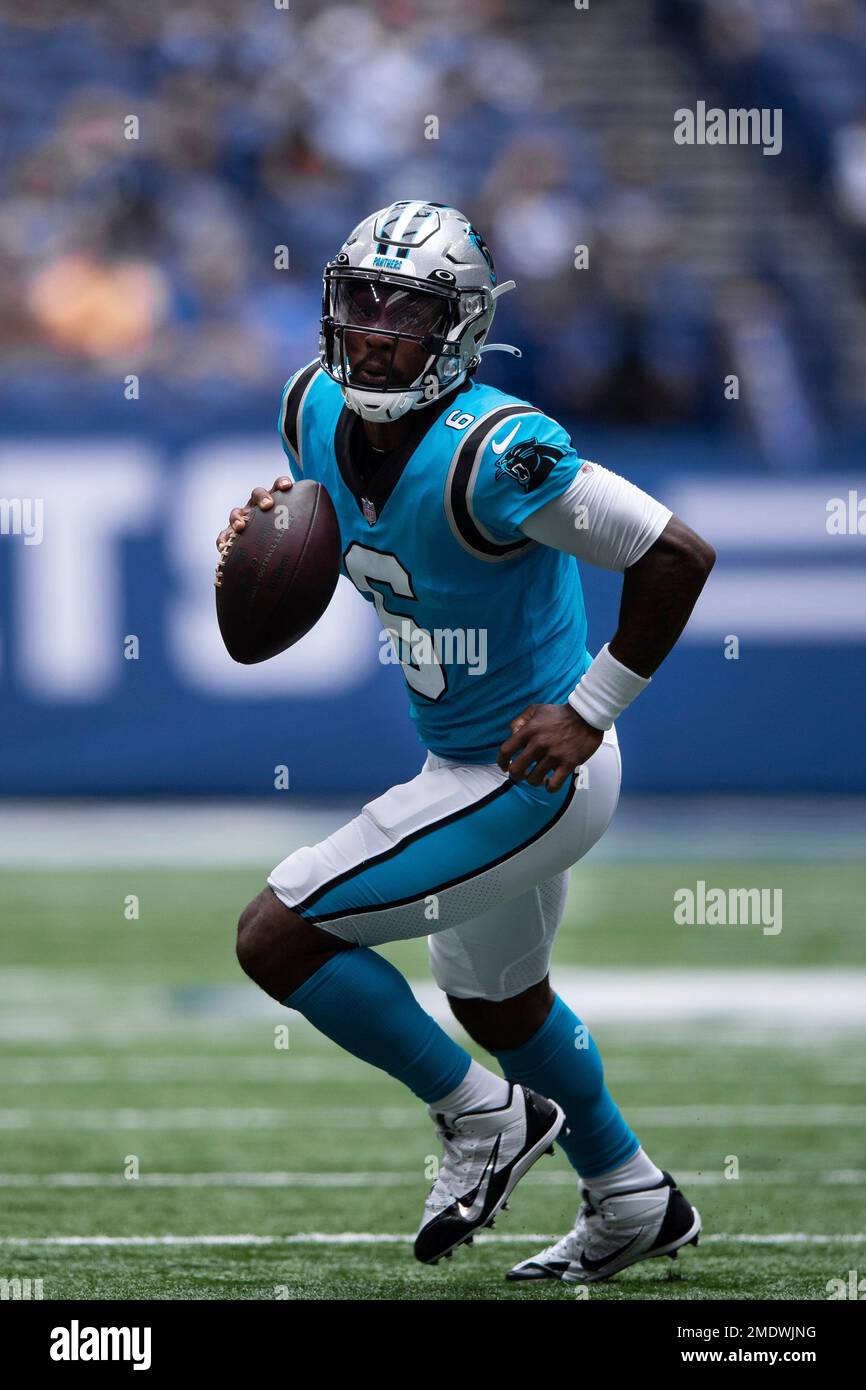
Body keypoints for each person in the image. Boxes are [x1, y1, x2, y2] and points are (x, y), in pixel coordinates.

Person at [217, 200, 715, 1283]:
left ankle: (481, 1116)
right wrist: (266, 537)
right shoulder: (307, 408)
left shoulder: (499, 449)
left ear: (462, 330)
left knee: (277, 933)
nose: (377, 332)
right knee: (500, 1001)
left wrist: (591, 705)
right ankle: (629, 1193)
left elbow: (675, 552)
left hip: (528, 772)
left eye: (408, 312)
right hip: (461, 763)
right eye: (360, 302)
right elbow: (338, 522)